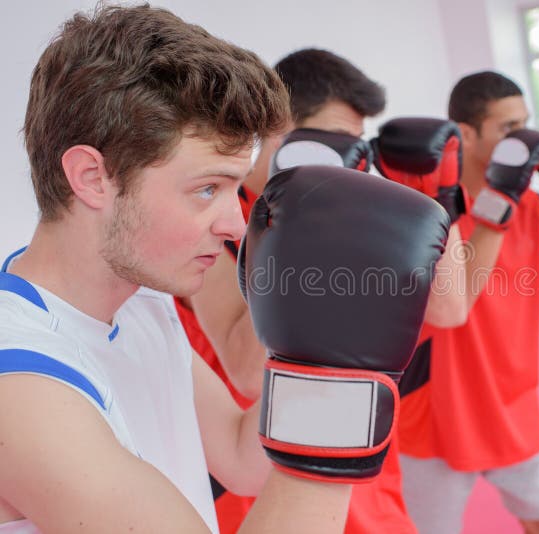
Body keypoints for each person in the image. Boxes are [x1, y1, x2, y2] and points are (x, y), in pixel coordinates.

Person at [0, 5, 441, 532]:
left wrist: (338, 348)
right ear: (93, 177)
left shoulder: (140, 303)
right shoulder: (21, 387)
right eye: (207, 188)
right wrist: (345, 390)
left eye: (235, 187)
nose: (236, 225)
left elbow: (239, 457)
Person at [398, 71, 539, 534]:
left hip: (509, 405)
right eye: (508, 128)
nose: (524, 139)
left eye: (524, 123)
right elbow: (458, 300)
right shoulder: (425, 209)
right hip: (438, 413)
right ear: (465, 134)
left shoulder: (529, 205)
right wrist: (498, 201)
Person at [173, 47, 390, 532]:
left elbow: (448, 311)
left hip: (351, 459)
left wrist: (440, 197)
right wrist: (302, 231)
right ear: (280, 131)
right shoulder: (219, 223)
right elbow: (248, 373)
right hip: (260, 475)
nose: (348, 158)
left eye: (355, 143)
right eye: (334, 140)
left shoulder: (350, 211)